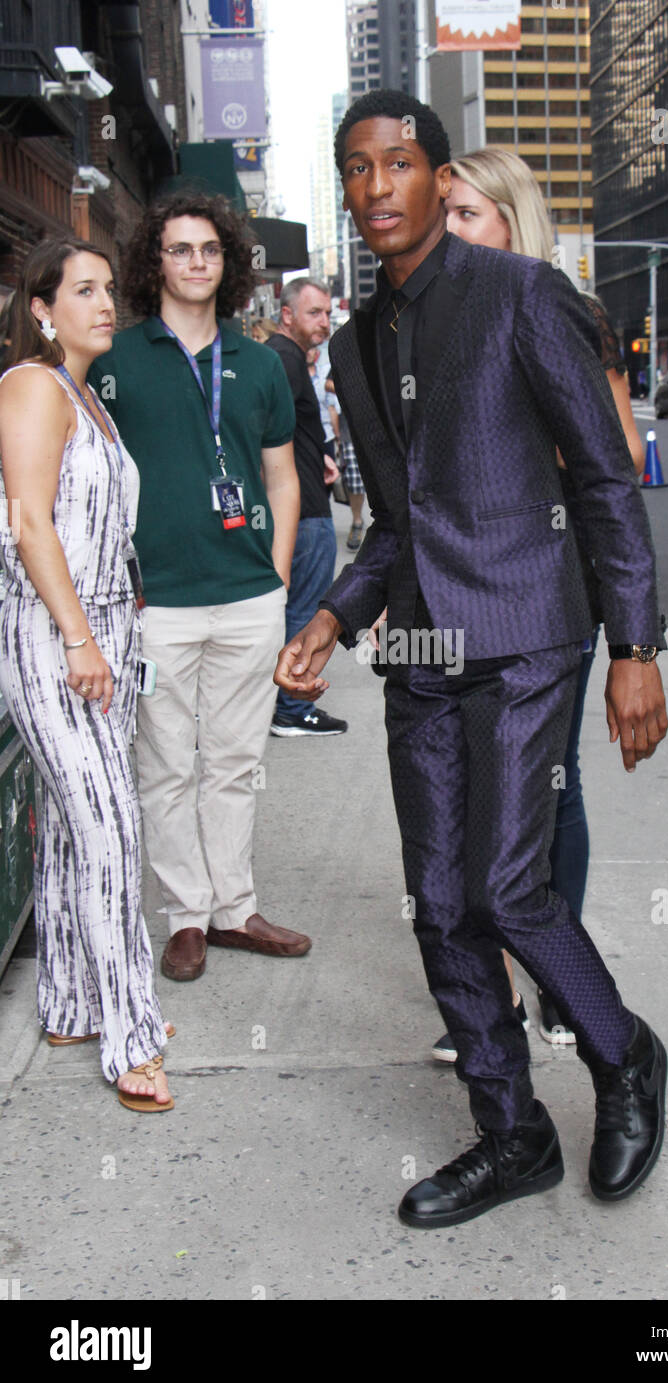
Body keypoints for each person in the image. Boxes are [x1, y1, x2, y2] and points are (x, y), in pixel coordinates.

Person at [275, 89, 668, 1228]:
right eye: (356, 168)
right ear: (347, 193)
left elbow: (601, 478)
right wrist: (335, 616)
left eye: (399, 162)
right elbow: (396, 521)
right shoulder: (350, 345)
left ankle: (622, 1053)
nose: (378, 184)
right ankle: (513, 1134)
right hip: (425, 649)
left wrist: (635, 645)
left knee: (507, 887)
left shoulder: (520, 296)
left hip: (533, 632)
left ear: (432, 178)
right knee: (440, 902)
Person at [417, 145, 646, 1062]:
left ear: (512, 221)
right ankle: (507, 986)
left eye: (468, 214)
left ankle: (554, 971)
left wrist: (519, 457)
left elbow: (618, 458)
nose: (450, 231)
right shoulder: (428, 315)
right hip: (458, 580)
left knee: (552, 785)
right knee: (476, 787)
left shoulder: (556, 307)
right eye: (446, 215)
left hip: (551, 580)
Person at [89, 193, 311, 984]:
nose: (194, 262)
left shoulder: (258, 365)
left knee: (235, 760)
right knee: (166, 765)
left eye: (209, 250)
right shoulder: (115, 359)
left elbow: (283, 480)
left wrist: (279, 580)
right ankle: (183, 916)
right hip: (156, 605)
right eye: (179, 249)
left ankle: (233, 909)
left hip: (248, 597)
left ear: (229, 264)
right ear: (157, 262)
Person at [0, 238, 174, 1112]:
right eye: (84, 289)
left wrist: (115, 626)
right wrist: (77, 637)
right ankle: (132, 1035)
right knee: (112, 828)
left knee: (75, 830)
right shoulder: (31, 386)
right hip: (53, 635)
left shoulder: (85, 397)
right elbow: (31, 524)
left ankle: (71, 1002)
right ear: (40, 307)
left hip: (101, 631)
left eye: (109, 288)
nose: (106, 302)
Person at [268, 279, 348, 737]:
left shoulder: (288, 358)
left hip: (306, 498)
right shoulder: (283, 358)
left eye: (325, 314)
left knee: (298, 608)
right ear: (287, 315)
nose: (323, 322)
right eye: (314, 313)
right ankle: (292, 710)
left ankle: (288, 707)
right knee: (304, 612)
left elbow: (285, 430)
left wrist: (317, 455)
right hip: (303, 511)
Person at [325, 371, 367, 551]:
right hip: (350, 428)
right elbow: (328, 384)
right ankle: (357, 521)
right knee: (355, 481)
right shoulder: (349, 348)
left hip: (381, 425)